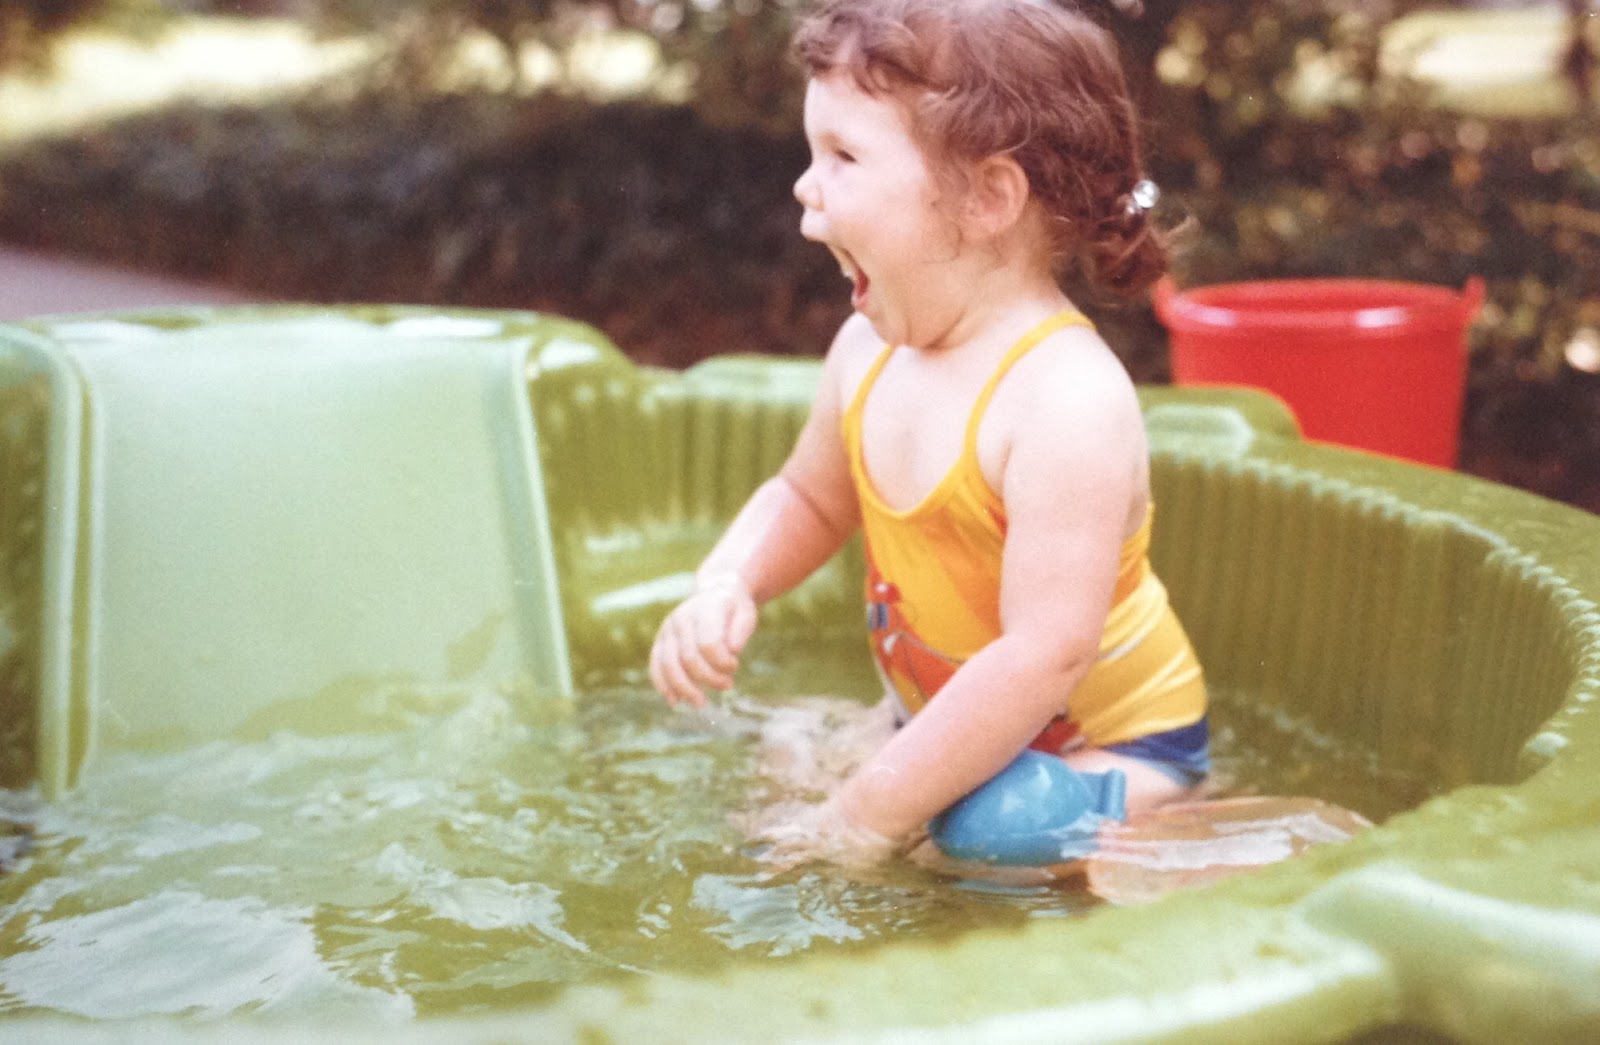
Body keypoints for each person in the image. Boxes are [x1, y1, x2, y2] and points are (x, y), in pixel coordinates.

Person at [648, 0, 1206, 868]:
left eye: (843, 156)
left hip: (1119, 747)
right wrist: (728, 582)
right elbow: (807, 496)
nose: (806, 189)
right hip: (944, 714)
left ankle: (1184, 825)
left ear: (986, 196)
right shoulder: (866, 351)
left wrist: (865, 812)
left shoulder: (1065, 401)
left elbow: (1042, 657)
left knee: (987, 830)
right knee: (791, 750)